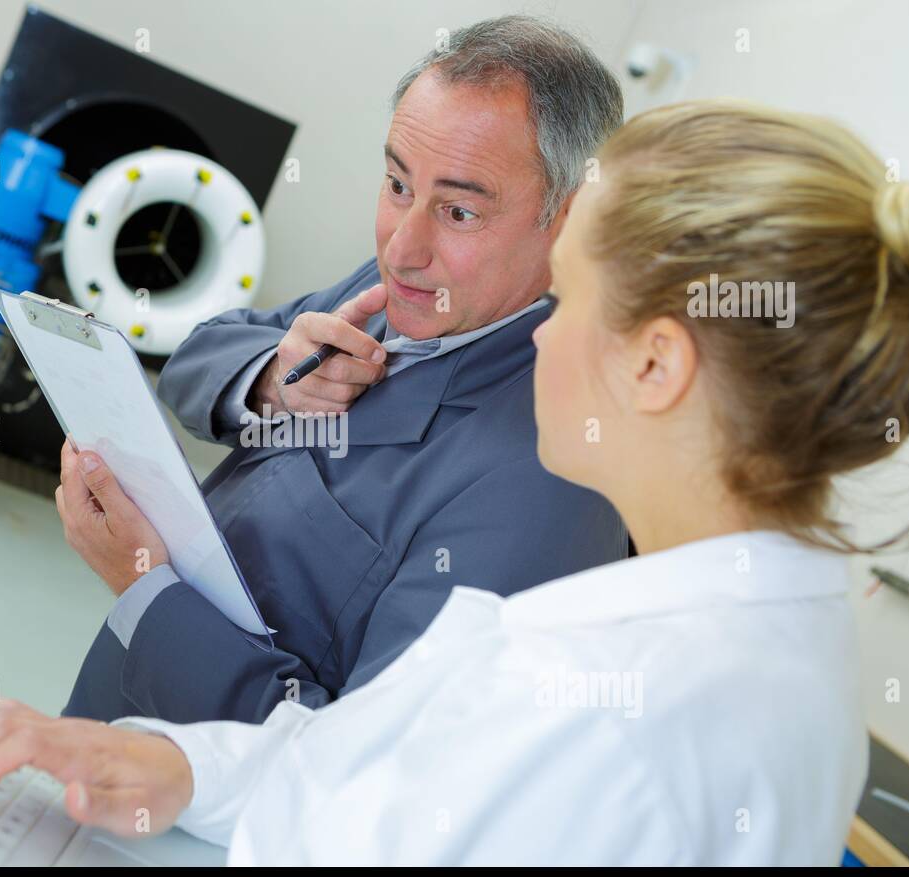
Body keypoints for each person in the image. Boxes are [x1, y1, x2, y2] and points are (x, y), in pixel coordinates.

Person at [0, 105, 909, 864]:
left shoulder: (608, 713)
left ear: (653, 366)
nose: (537, 332)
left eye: (569, 292)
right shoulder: (754, 643)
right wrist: (183, 768)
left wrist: (149, 585)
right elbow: (365, 788)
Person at [56, 15, 629, 724]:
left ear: (570, 219)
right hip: (106, 723)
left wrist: (145, 583)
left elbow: (354, 771)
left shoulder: (550, 485)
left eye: (458, 211)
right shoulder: (403, 290)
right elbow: (196, 357)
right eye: (396, 183)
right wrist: (271, 378)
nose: (402, 246)